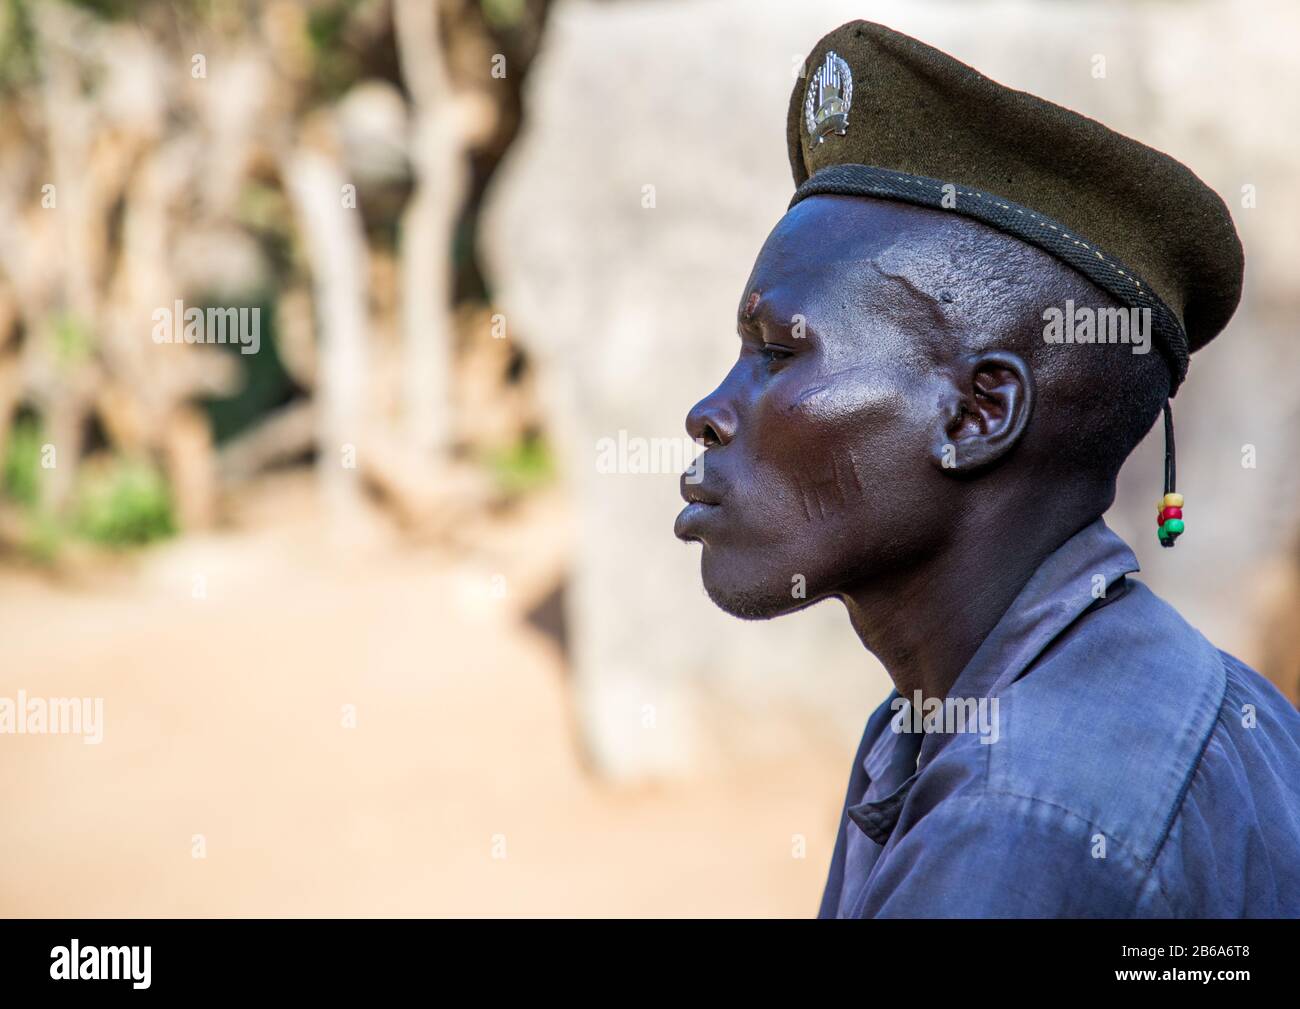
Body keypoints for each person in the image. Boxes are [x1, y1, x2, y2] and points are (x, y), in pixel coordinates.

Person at [673, 20, 1300, 917]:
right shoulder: (974, 717)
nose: (708, 412)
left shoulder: (1023, 822)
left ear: (977, 414)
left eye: (777, 353)